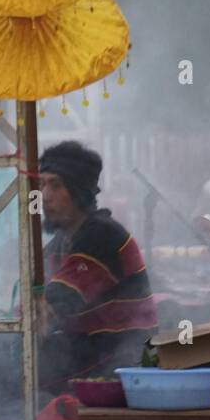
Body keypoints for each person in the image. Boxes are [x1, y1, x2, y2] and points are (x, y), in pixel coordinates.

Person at [38, 141, 157, 394]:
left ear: (78, 192)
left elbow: (56, 302)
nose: (44, 195)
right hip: (81, 349)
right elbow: (33, 299)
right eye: (42, 184)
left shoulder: (102, 235)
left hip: (118, 358)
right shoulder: (60, 242)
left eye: (56, 185)